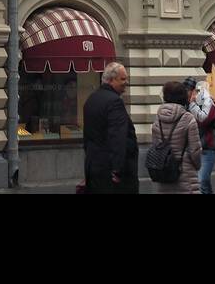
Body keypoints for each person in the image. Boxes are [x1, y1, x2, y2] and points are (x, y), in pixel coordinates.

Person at [83, 62, 138, 193]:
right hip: (112, 173)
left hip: (93, 167)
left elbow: (87, 137)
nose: (126, 82)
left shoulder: (92, 99)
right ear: (111, 80)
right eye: (123, 79)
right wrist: (117, 170)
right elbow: (118, 137)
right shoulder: (115, 102)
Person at [151, 82, 202, 194]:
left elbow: (155, 147)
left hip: (165, 174)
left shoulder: (157, 120)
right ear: (183, 96)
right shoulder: (188, 118)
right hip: (186, 174)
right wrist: (197, 165)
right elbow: (195, 150)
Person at [183, 76, 215, 194]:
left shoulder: (207, 102)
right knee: (204, 182)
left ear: (195, 91)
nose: (186, 94)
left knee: (201, 181)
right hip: (193, 149)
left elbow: (203, 119)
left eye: (188, 91)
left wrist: (192, 105)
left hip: (207, 148)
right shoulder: (185, 104)